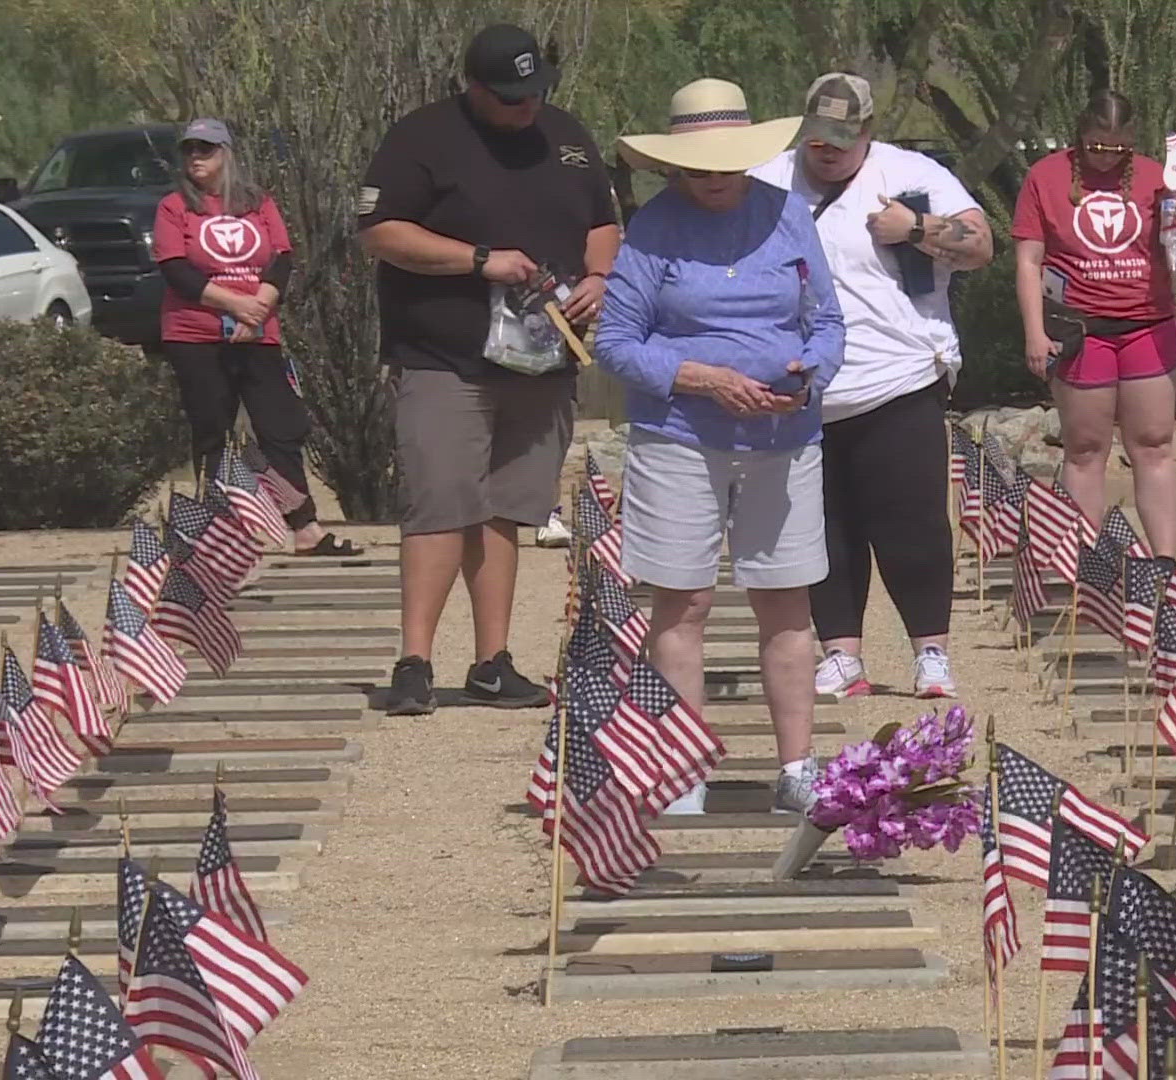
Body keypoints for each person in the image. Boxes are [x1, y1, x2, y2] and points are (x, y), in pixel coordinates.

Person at [595, 78, 846, 815]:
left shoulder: (789, 215)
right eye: (697, 167)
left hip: (784, 433)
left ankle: (797, 766)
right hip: (679, 436)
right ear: (672, 167)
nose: (712, 179)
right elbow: (614, 344)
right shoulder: (652, 229)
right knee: (685, 602)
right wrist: (698, 377)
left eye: (725, 165)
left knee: (787, 602)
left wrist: (812, 373)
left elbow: (826, 322)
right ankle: (681, 767)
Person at [358, 23, 621, 715]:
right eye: (509, 98)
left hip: (542, 360)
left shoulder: (566, 137)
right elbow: (382, 233)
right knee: (441, 503)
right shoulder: (421, 138)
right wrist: (481, 260)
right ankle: (414, 663)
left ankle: (492, 661)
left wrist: (601, 273)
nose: (525, 107)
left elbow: (603, 219)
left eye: (534, 93)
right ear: (473, 87)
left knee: (506, 510)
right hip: (447, 356)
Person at [751, 73, 993, 701]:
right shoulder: (770, 179)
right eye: (816, 139)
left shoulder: (909, 173)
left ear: (867, 132)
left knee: (910, 523)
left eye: (840, 139)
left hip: (898, 378)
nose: (825, 151)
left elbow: (982, 244)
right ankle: (841, 655)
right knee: (824, 526)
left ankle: (931, 652)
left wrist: (915, 229)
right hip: (804, 388)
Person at [153, 118, 357, 557]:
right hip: (195, 334)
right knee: (213, 431)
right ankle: (212, 538)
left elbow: (281, 258)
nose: (196, 158)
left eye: (205, 149)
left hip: (256, 333)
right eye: (189, 150)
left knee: (281, 428)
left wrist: (258, 306)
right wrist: (233, 304)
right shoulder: (174, 207)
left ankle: (304, 528)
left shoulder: (257, 203)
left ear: (227, 154)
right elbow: (175, 269)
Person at [1013, 91, 1176, 559]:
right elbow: (1028, 259)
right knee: (1085, 449)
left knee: (1153, 443)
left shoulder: (1157, 177)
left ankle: (1164, 564)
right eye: (1096, 147)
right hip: (1080, 329)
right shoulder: (1046, 177)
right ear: (1080, 136)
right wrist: (1034, 330)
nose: (1106, 158)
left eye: (1118, 148)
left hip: (1148, 324)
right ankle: (1089, 564)